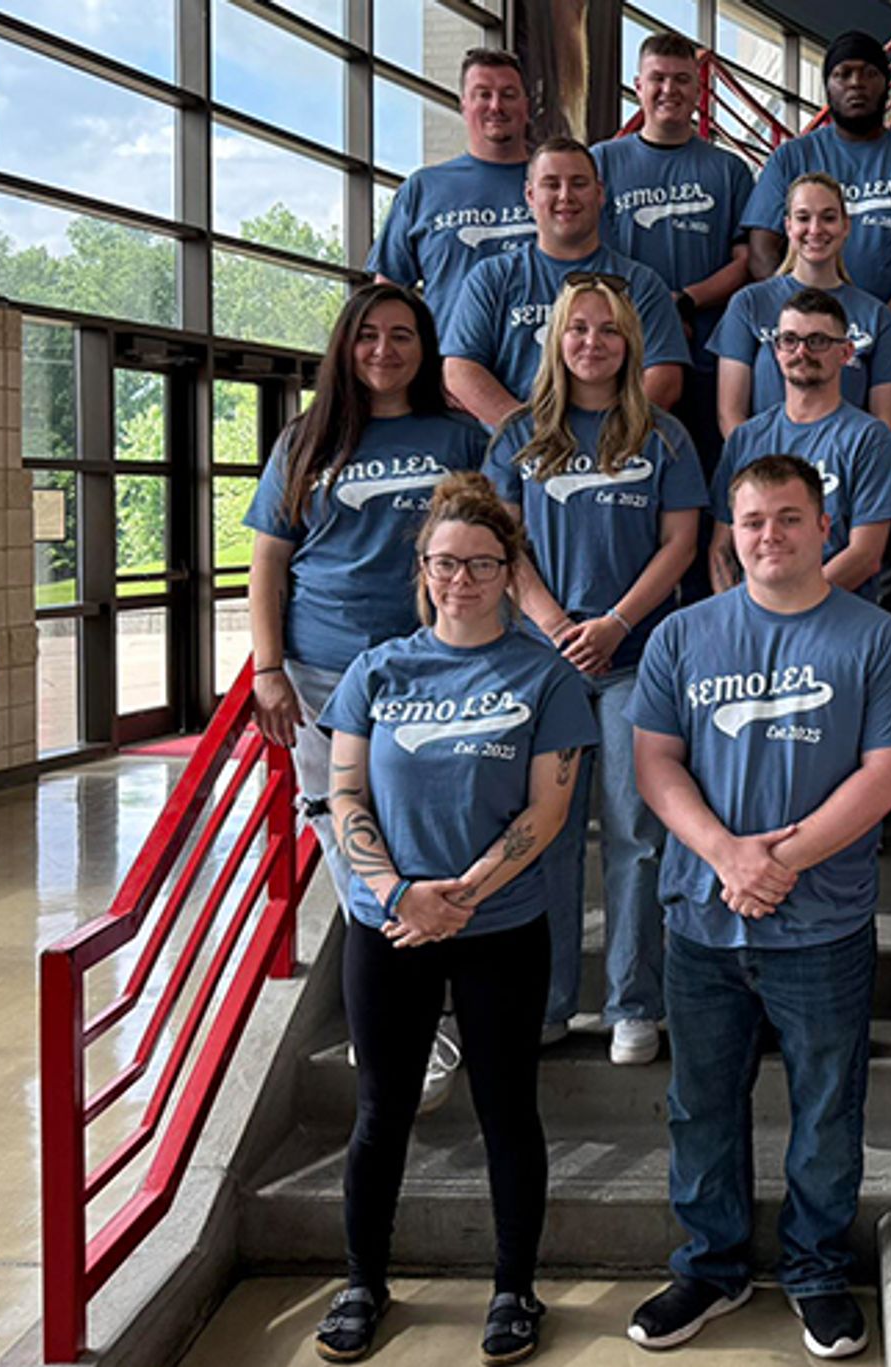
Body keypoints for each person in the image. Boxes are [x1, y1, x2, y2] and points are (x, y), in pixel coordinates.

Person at [625, 455, 891, 1359]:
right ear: (731, 530)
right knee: (700, 1105)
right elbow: (655, 761)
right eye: (753, 520)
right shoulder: (684, 636)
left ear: (825, 527)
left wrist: (779, 860)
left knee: (828, 1108)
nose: (770, 536)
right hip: (701, 917)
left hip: (822, 922)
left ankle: (816, 1269)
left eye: (789, 518)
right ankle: (711, 1267)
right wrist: (726, 855)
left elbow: (887, 775)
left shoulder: (878, 640)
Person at [310, 473, 598, 1366]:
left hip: (500, 923)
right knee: (381, 1109)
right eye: (445, 564)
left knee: (508, 1108)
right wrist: (401, 895)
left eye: (480, 564)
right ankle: (363, 1281)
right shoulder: (376, 668)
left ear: (510, 570)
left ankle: (515, 1288)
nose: (461, 580)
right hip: (388, 923)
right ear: (424, 570)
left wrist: (461, 892)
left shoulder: (544, 677)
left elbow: (547, 815)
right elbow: (344, 790)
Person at [245, 283, 488, 1112]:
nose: (385, 351)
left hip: (430, 670)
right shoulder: (307, 439)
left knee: (431, 831)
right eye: (369, 336)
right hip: (322, 669)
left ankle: (435, 1005)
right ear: (344, 348)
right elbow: (270, 560)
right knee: (349, 837)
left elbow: (491, 550)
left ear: (426, 348)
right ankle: (386, 1020)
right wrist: (266, 667)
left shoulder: (460, 437)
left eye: (403, 336)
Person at [483, 275, 707, 1064]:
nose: (591, 342)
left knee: (635, 832)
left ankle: (632, 1002)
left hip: (635, 660)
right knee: (543, 837)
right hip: (544, 667)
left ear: (629, 341)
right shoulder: (517, 435)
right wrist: (554, 623)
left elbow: (680, 543)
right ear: (556, 338)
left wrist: (614, 622)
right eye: (577, 328)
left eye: (607, 330)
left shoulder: (665, 437)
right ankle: (546, 1001)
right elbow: (501, 545)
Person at [443, 138, 688, 425]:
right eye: (551, 184)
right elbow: (460, 370)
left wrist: (606, 439)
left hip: (614, 457)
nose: (565, 196)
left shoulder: (641, 284)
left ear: (599, 194)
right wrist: (528, 435)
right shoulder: (491, 278)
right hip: (517, 457)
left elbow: (665, 378)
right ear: (530, 196)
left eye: (579, 183)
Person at [740, 31, 891, 322]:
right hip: (800, 341)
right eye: (843, 74)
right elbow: (761, 250)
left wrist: (878, 327)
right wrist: (805, 320)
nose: (856, 83)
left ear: (887, 85)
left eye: (869, 73)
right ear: (828, 88)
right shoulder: (790, 158)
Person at [708, 290, 891, 600]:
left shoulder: (869, 438)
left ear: (846, 352)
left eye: (818, 341)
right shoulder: (746, 438)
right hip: (755, 627)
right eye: (789, 340)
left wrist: (787, 606)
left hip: (837, 623)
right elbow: (722, 548)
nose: (801, 351)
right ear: (776, 351)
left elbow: (865, 556)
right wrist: (744, 613)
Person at [592, 32, 756, 403]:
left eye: (682, 79)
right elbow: (594, 256)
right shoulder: (601, 162)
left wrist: (684, 302)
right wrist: (656, 313)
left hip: (708, 349)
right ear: (638, 87)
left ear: (698, 89)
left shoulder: (731, 170)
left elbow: (745, 263)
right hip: (626, 348)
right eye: (658, 78)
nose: (670, 89)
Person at [710, 173, 891, 437]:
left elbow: (886, 422)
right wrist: (763, 473)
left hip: (845, 466)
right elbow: (730, 415)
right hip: (766, 466)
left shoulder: (876, 315)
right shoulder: (749, 304)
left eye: (828, 218)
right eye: (803, 218)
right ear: (788, 226)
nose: (815, 230)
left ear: (845, 226)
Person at [369, 50, 536, 323]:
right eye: (483, 94)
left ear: (526, 107)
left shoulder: (559, 191)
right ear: (463, 105)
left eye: (508, 94)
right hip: (448, 362)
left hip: (541, 363)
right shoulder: (423, 189)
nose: (496, 105)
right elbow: (387, 298)